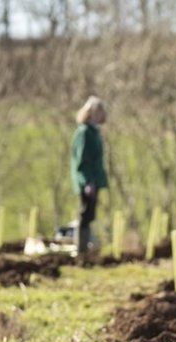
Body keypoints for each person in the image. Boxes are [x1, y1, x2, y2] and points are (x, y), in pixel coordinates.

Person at [70, 96, 108, 255]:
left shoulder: (94, 132)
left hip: (94, 180)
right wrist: (87, 182)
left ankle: (84, 248)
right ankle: (81, 250)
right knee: (85, 214)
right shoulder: (84, 132)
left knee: (90, 214)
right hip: (87, 181)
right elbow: (82, 161)